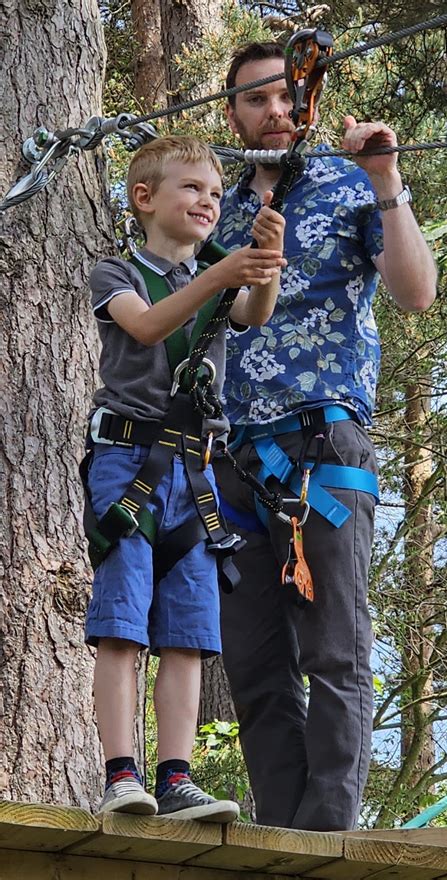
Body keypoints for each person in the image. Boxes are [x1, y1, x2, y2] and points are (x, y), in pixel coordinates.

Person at [212, 42, 437, 831]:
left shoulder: (350, 183)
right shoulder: (220, 206)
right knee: (254, 668)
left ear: (303, 103)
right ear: (231, 113)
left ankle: (328, 837)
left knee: (335, 648)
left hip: (321, 447)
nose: (273, 111)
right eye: (255, 100)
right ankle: (281, 834)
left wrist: (384, 179)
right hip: (231, 461)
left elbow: (416, 292)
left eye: (284, 97)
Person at [82, 134, 286, 819]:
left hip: (194, 477)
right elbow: (144, 329)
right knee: (121, 623)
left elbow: (254, 311)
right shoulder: (118, 274)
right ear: (146, 198)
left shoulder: (215, 278)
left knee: (188, 634)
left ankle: (175, 777)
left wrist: (265, 261)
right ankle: (120, 774)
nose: (207, 201)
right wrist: (221, 273)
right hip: (130, 466)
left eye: (215, 192)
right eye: (192, 188)